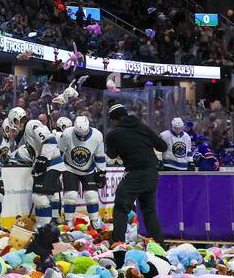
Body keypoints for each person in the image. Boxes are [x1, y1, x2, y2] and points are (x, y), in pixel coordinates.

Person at [104, 102, 166, 247]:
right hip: (152, 172)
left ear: (114, 120)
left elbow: (112, 155)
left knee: (121, 207)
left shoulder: (113, 134)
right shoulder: (142, 127)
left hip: (135, 172)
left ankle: (117, 242)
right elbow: (162, 146)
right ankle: (159, 242)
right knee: (148, 209)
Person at [59, 113, 107, 229]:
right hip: (70, 168)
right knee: (70, 195)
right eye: (79, 133)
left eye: (84, 133)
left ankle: (95, 221)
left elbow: (99, 156)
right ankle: (68, 222)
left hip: (88, 169)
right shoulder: (66, 134)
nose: (81, 135)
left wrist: (101, 172)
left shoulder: (97, 135)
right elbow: (59, 152)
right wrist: (56, 168)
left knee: (92, 196)